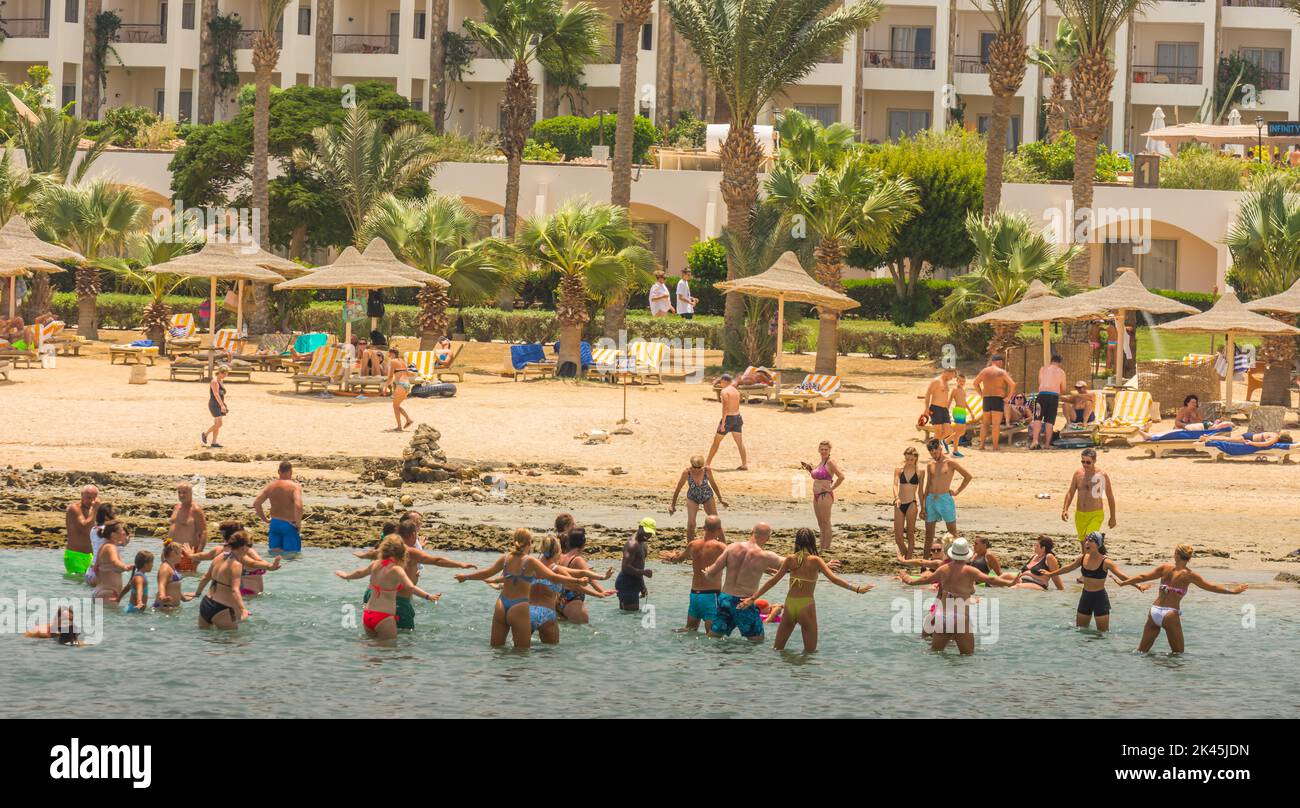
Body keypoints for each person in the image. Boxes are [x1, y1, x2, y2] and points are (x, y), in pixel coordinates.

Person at [453, 528, 594, 649]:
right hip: (519, 607)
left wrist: (465, 577)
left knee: (496, 650)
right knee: (521, 655)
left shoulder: (506, 558)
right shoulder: (530, 561)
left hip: (501, 605)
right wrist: (578, 580)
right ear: (529, 543)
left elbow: (486, 572)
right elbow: (553, 577)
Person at [739, 528, 871, 652]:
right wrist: (857, 589)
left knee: (777, 650)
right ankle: (805, 676)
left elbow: (772, 581)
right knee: (810, 653)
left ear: (797, 542)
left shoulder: (790, 559)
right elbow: (834, 580)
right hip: (806, 606)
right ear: (812, 542)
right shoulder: (816, 561)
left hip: (790, 605)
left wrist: (752, 598)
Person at [1119, 544, 1248, 653]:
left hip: (1154, 611)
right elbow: (1211, 587)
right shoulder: (1189, 575)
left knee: (1141, 652)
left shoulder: (1165, 568)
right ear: (1189, 558)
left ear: (1176, 555)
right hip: (1170, 614)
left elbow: (1142, 577)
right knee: (1178, 655)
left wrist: (1124, 583)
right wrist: (1233, 591)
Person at [896, 537, 1015, 654]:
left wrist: (908, 579)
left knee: (934, 653)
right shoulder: (970, 571)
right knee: (967, 656)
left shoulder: (943, 569)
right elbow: (991, 579)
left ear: (952, 553)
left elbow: (923, 579)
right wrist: (1009, 583)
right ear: (966, 554)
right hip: (961, 618)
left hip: (942, 616)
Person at [354, 518, 477, 630]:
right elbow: (437, 560)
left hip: (375, 604)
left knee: (374, 641)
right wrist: (461, 564)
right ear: (413, 534)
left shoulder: (387, 549)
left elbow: (370, 555)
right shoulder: (410, 552)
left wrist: (360, 555)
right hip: (400, 605)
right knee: (404, 646)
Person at [336, 536, 440, 639]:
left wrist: (346, 576)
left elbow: (360, 572)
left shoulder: (376, 564)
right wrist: (427, 596)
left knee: (372, 651)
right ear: (401, 553)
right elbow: (410, 587)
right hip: (383, 617)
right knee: (388, 653)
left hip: (368, 614)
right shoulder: (396, 570)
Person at [1039, 531, 1147, 631]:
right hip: (1085, 597)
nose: (1087, 543)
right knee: (1081, 631)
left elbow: (1122, 576)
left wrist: (1138, 586)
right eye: (1086, 540)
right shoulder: (1082, 558)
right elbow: (1067, 568)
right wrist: (1050, 574)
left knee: (1103, 634)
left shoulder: (1106, 562)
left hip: (1099, 599)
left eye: (1091, 541)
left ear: (1098, 544)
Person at [702, 522, 785, 642]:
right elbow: (791, 562)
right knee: (757, 640)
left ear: (751, 532)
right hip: (743, 602)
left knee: (714, 637)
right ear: (768, 538)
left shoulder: (732, 548)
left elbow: (712, 572)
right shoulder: (766, 556)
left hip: (725, 599)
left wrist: (707, 573)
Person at [658, 514, 727, 633]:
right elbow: (737, 559)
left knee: (690, 630)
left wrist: (672, 558)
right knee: (712, 635)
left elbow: (678, 559)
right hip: (711, 596)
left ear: (703, 528)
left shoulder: (693, 545)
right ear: (720, 529)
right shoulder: (721, 547)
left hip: (695, 595)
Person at [197, 531, 254, 629]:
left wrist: (197, 593)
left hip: (206, 603)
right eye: (250, 545)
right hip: (222, 608)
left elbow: (205, 577)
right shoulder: (236, 565)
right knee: (236, 642)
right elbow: (234, 590)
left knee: (205, 640)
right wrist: (242, 609)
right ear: (243, 547)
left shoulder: (220, 557)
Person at [556, 528, 614, 623]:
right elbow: (591, 579)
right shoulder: (577, 560)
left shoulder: (561, 557)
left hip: (559, 602)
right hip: (573, 601)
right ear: (583, 544)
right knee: (585, 631)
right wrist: (602, 592)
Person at [922, 438, 971, 545]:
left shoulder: (950, 462)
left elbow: (968, 476)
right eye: (931, 454)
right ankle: (926, 559)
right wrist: (923, 506)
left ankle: (959, 557)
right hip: (931, 499)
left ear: (940, 448)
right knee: (929, 534)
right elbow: (927, 485)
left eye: (935, 452)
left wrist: (957, 491)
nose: (934, 455)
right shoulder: (930, 464)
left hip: (944, 499)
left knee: (952, 532)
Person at [1062, 448, 1116, 543]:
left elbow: (1110, 496)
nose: (1085, 465)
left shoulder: (1102, 475)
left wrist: (1113, 517)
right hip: (1080, 515)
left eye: (1088, 462)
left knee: (1089, 541)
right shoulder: (1078, 473)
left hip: (1095, 515)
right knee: (1083, 544)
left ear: (1094, 461)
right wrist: (1065, 509)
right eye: (1083, 462)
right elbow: (1071, 492)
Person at [669, 456, 727, 541]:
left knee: (716, 522)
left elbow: (713, 484)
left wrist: (720, 499)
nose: (696, 469)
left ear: (702, 465)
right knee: (691, 524)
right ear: (691, 465)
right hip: (693, 497)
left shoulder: (707, 470)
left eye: (699, 467)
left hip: (707, 496)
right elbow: (678, 488)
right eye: (694, 467)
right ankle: (690, 548)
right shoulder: (687, 472)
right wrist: (672, 505)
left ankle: (724, 546)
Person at [801, 440, 845, 551]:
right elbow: (816, 475)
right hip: (816, 495)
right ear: (818, 450)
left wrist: (832, 488)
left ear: (829, 451)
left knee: (826, 522)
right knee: (820, 523)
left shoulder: (830, 462)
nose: (823, 451)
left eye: (826, 449)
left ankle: (827, 548)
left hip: (825, 495)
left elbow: (841, 476)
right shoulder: (820, 463)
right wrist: (810, 469)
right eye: (821, 449)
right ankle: (822, 547)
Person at [253, 460, 303, 557]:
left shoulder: (270, 486)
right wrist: (298, 523)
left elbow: (256, 503)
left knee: (274, 556)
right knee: (291, 557)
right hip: (289, 525)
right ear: (291, 472)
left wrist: (265, 519)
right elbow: (298, 506)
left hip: (274, 524)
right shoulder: (294, 487)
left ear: (278, 471)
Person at [706, 374, 748, 470]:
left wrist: (723, 423)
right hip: (737, 417)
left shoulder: (724, 391)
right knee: (740, 443)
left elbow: (725, 407)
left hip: (728, 419)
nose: (720, 383)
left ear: (725, 381)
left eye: (720, 381)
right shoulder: (736, 391)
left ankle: (707, 464)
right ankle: (744, 464)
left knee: (716, 442)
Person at [972, 354, 1015, 450]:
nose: (1002, 365)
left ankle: (981, 445)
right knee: (996, 424)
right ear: (999, 362)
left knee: (985, 423)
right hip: (997, 398)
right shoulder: (1001, 372)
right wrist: (1008, 397)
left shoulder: (984, 371)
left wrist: (981, 394)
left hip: (986, 399)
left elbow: (975, 383)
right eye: (1001, 363)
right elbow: (1013, 384)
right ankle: (995, 447)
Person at [615, 518, 656, 612]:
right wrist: (644, 572)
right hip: (626, 582)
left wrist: (642, 585)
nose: (648, 535)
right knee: (631, 615)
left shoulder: (643, 543)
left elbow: (638, 565)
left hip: (634, 581)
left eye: (650, 533)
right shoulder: (632, 544)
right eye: (646, 532)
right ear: (640, 527)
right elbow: (625, 567)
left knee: (627, 615)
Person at [892, 447, 925, 559]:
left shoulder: (920, 472)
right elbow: (895, 484)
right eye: (907, 459)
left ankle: (908, 560)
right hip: (899, 504)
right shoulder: (899, 469)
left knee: (910, 534)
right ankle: (907, 558)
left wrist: (923, 507)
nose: (909, 462)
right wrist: (896, 497)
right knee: (898, 537)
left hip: (912, 503)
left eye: (911, 459)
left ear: (916, 458)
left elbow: (920, 491)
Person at [1030, 353, 1068, 449]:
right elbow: (1063, 389)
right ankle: (1047, 444)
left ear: (1051, 361)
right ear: (1060, 363)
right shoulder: (1061, 372)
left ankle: (1035, 441)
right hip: (1054, 397)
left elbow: (1040, 383)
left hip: (1041, 396)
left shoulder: (1043, 369)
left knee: (1037, 418)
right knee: (1049, 421)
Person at [89, 520, 132, 604]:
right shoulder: (111, 547)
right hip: (108, 593)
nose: (124, 533)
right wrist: (124, 567)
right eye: (121, 531)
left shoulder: (103, 546)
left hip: (100, 591)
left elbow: (95, 569)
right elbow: (114, 561)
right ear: (113, 535)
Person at [168, 482, 207, 574]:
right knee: (171, 578)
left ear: (191, 493)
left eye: (184, 492)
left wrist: (198, 556)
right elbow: (172, 529)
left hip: (187, 552)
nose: (181, 495)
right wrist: (166, 548)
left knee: (187, 578)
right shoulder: (176, 507)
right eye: (179, 492)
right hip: (172, 551)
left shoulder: (195, 510)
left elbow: (204, 533)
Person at [64, 485, 100, 578]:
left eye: (94, 498)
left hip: (90, 556)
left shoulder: (93, 511)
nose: (91, 501)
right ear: (81, 495)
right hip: (75, 555)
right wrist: (95, 509)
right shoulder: (74, 508)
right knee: (78, 585)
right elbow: (85, 527)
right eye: (88, 498)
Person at [153, 540, 195, 609]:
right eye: (180, 553)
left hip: (171, 607)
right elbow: (161, 584)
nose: (182, 556)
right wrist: (162, 596)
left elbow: (175, 587)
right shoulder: (165, 567)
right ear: (173, 553)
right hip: (164, 607)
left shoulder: (172, 567)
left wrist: (184, 598)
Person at [921, 368, 955, 452]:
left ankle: (932, 445)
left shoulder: (946, 383)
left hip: (944, 409)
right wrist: (926, 408)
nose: (952, 378)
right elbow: (928, 394)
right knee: (938, 431)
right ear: (947, 372)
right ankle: (934, 449)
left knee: (948, 431)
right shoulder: (936, 381)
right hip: (936, 408)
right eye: (952, 376)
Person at [382, 347, 415, 432]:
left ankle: (401, 425)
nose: (388, 355)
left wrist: (385, 387)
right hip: (407, 384)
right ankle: (407, 420)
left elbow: (390, 376)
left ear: (392, 354)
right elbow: (407, 373)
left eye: (389, 353)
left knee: (395, 406)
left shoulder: (393, 361)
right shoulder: (402, 361)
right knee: (396, 406)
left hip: (401, 384)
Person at [200, 366, 230, 448]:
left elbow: (222, 393)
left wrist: (223, 404)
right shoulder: (214, 381)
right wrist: (222, 405)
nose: (225, 376)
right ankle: (205, 434)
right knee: (219, 424)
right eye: (225, 374)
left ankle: (214, 442)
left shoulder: (221, 381)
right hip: (214, 404)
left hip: (219, 403)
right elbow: (216, 394)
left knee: (217, 424)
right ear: (220, 373)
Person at [948, 373, 969, 456]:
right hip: (958, 411)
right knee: (958, 431)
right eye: (960, 381)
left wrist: (970, 411)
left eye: (963, 381)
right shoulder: (955, 389)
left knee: (962, 432)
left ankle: (946, 441)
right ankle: (955, 451)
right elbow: (949, 400)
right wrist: (946, 411)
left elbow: (965, 402)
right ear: (957, 381)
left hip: (963, 411)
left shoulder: (963, 390)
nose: (962, 382)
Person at [1197, 430, 1291, 447]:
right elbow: (1264, 444)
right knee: (1227, 440)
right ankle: (1207, 438)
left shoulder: (1275, 434)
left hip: (1251, 435)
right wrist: (1251, 443)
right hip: (1249, 438)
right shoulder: (1275, 438)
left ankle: (1207, 437)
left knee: (1229, 439)